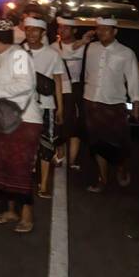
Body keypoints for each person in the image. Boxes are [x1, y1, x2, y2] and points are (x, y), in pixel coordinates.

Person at [0, 18, 42, 233]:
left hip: (25, 120)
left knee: (20, 167)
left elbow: (24, 85)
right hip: (4, 121)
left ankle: (27, 216)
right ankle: (11, 211)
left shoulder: (19, 55)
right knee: (5, 166)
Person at [81, 17, 139, 192]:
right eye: (99, 29)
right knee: (97, 143)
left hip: (114, 104)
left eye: (106, 29)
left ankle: (122, 167)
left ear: (115, 31)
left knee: (119, 142)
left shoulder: (126, 53)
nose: (101, 32)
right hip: (91, 101)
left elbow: (133, 80)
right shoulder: (91, 48)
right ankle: (103, 178)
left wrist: (136, 106)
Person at [22, 17, 66, 199]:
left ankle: (44, 184)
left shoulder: (52, 54)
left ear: (42, 33)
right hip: (23, 107)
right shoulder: (18, 52)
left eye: (35, 30)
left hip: (46, 106)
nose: (31, 34)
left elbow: (57, 82)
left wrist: (60, 108)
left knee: (46, 145)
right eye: (28, 30)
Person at [56, 18, 90, 171]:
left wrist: (82, 43)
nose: (62, 31)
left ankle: (72, 160)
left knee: (75, 127)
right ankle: (60, 154)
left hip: (75, 91)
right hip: (57, 91)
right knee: (59, 125)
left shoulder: (86, 48)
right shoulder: (53, 47)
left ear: (74, 30)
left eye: (66, 28)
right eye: (60, 28)